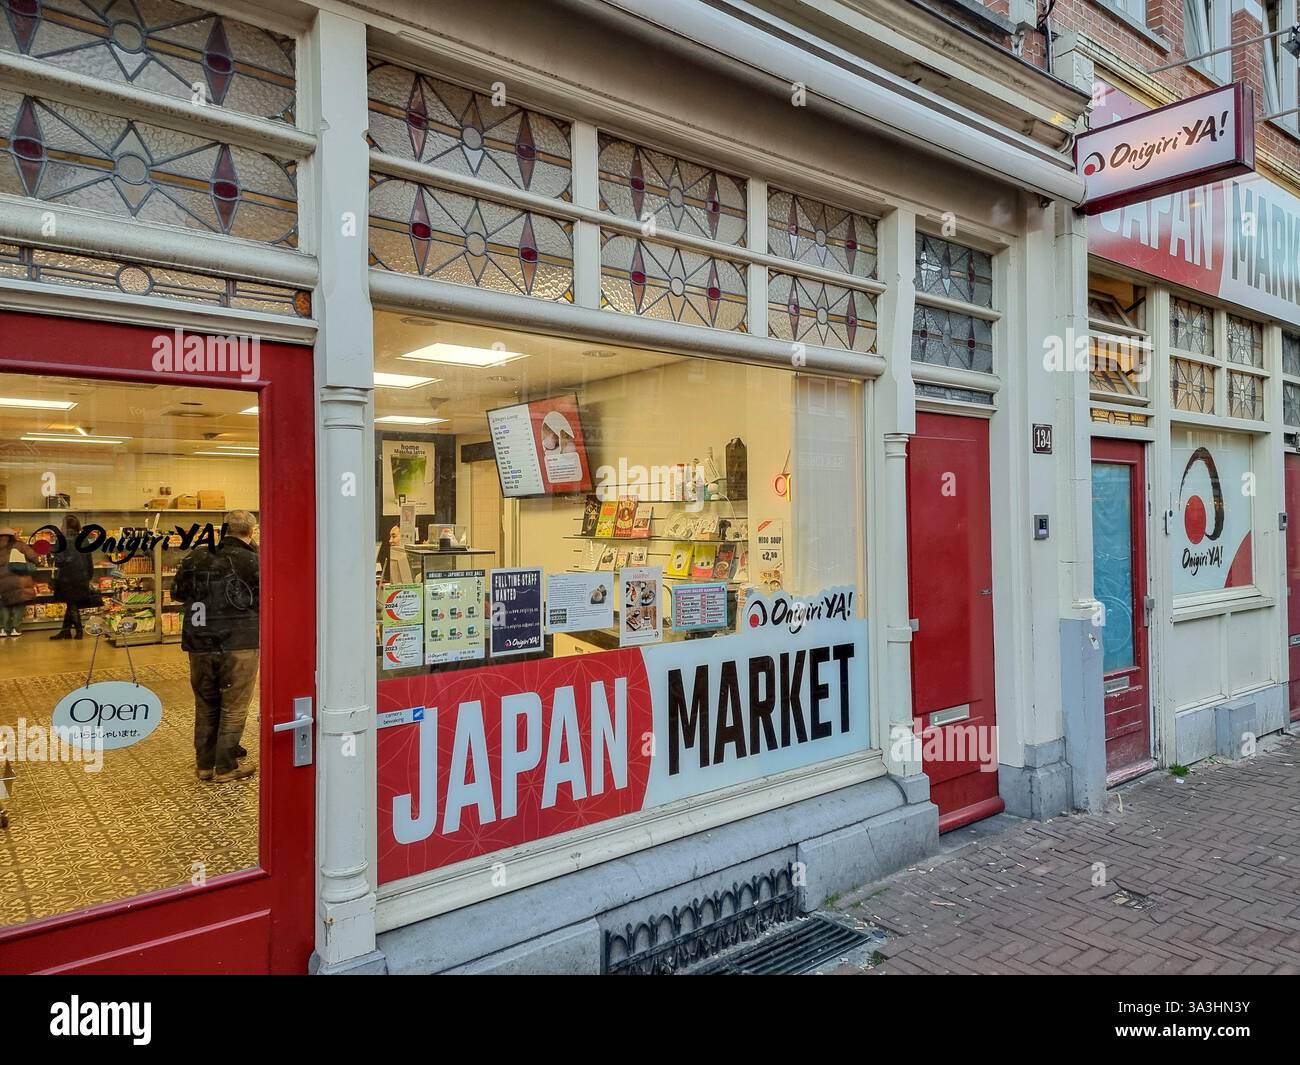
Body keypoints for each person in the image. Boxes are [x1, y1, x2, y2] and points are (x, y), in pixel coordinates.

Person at [171, 510, 260, 783]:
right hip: (239, 641)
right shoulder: (254, 560)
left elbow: (177, 593)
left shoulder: (196, 555)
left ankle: (204, 765)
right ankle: (225, 766)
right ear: (251, 531)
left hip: (199, 641)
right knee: (234, 705)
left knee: (206, 702)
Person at [50, 515, 93, 640]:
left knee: (72, 604)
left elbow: (60, 560)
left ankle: (79, 631)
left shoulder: (61, 539)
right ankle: (66, 631)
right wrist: (89, 575)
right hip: (82, 576)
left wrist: (52, 555)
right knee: (71, 604)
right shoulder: (84, 539)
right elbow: (89, 559)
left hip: (67, 578)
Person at [0, 528, 36, 638]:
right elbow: (34, 557)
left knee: (3, 605)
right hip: (19, 581)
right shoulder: (20, 545)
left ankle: (3, 629)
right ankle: (16, 628)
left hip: (2, 582)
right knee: (19, 604)